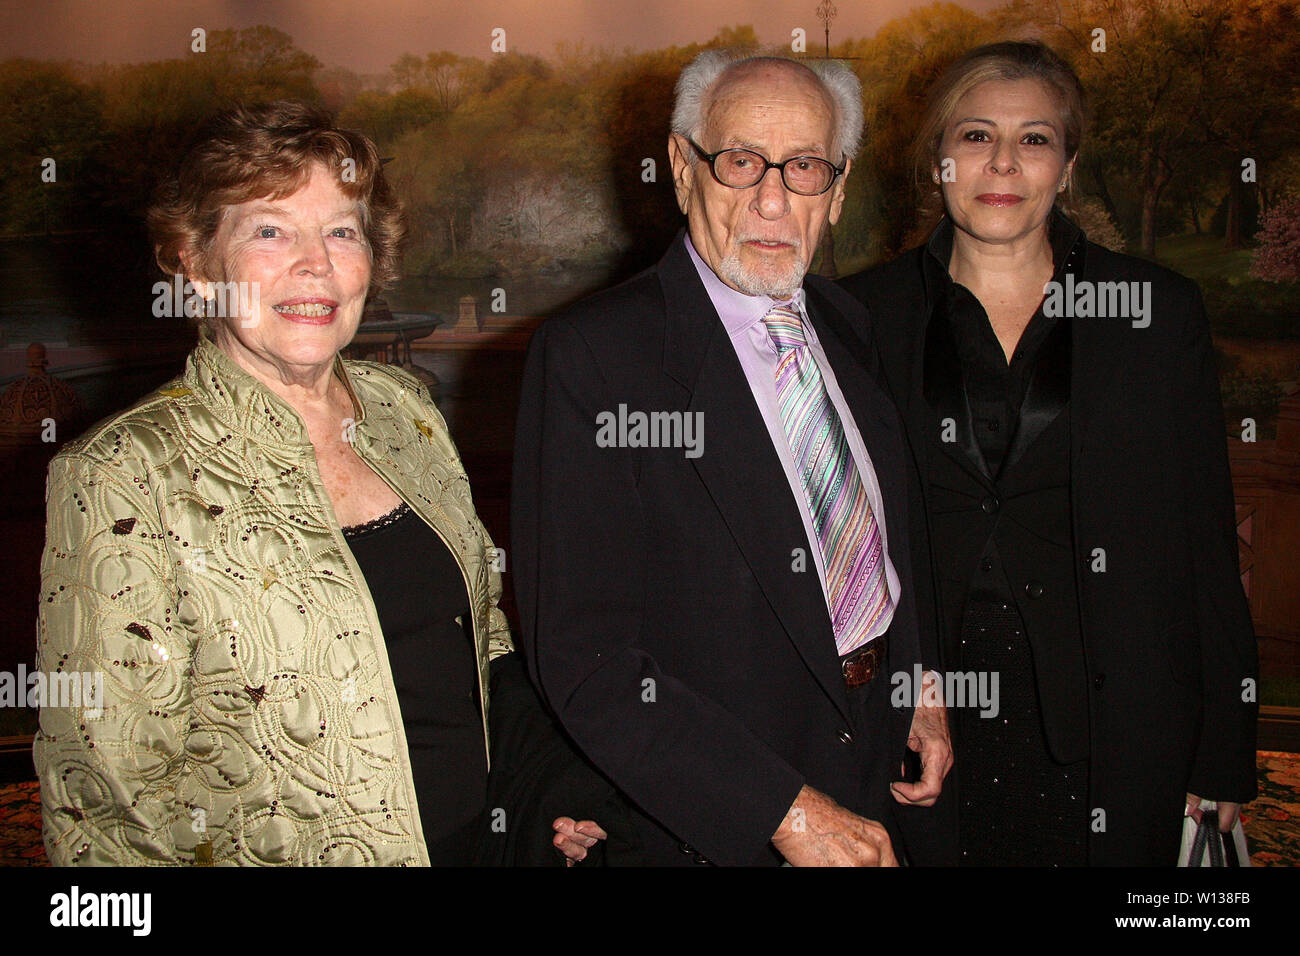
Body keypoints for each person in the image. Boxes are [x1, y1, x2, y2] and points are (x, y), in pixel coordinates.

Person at [34, 102, 608, 866]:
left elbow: (483, 646)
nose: (317, 263)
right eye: (269, 230)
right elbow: (106, 813)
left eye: (342, 230)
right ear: (195, 262)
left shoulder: (405, 409)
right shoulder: (120, 476)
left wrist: (549, 789)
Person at [511, 51, 952, 867]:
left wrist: (920, 688)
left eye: (806, 166)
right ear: (684, 170)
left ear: (840, 187)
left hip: (881, 766)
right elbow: (586, 661)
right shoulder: (594, 358)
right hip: (723, 815)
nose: (773, 198)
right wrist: (785, 815)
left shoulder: (851, 328)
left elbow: (886, 541)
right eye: (741, 160)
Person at [839, 41, 1259, 865]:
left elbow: (1203, 540)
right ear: (938, 161)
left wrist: (1223, 748)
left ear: (1066, 167)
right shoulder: (861, 315)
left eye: (1034, 139)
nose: (1003, 161)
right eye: (974, 136)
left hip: (1117, 718)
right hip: (926, 712)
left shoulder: (1155, 312)